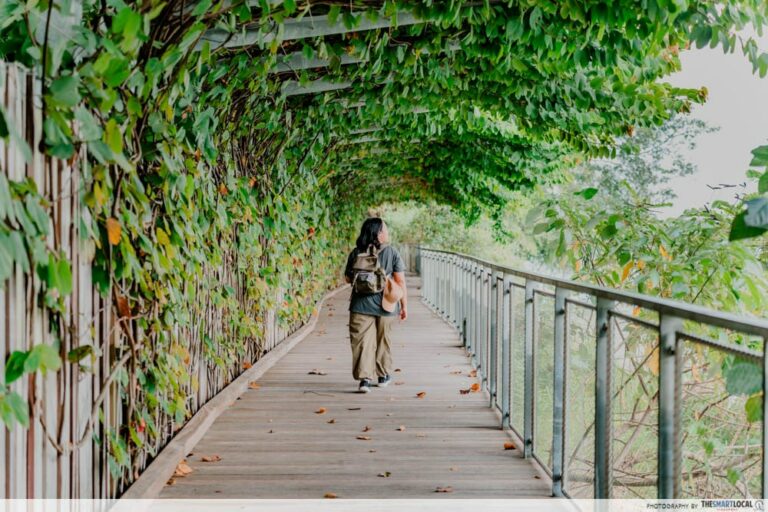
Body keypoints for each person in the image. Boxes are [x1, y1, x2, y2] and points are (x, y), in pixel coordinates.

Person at [344, 218, 407, 393]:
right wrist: (404, 306)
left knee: (362, 342)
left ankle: (364, 380)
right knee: (383, 340)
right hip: (386, 304)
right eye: (385, 229)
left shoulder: (356, 253)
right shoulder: (392, 252)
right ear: (379, 233)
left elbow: (348, 278)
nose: (387, 232)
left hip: (359, 305)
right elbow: (400, 281)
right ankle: (383, 375)